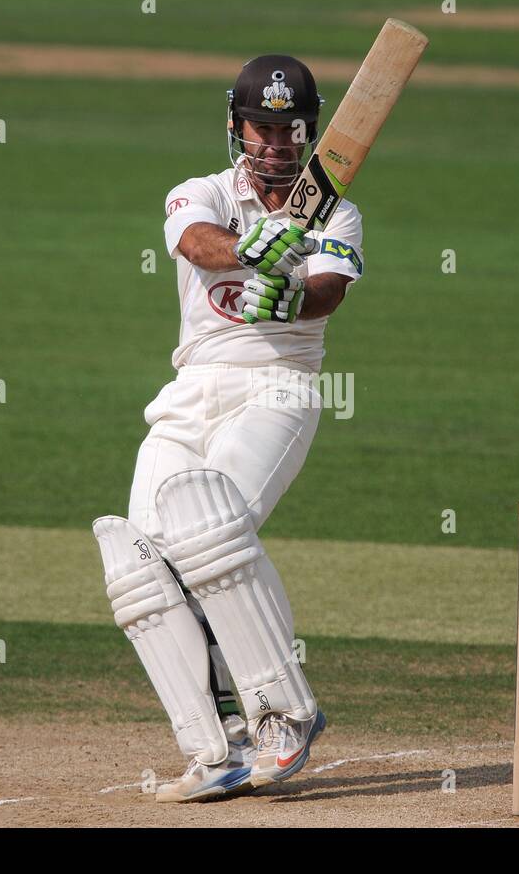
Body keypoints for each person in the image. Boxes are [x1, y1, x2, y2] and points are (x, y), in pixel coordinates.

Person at [91, 52, 364, 802]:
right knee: (140, 564)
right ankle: (217, 749)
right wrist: (253, 248)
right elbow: (196, 243)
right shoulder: (200, 192)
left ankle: (286, 713)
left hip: (277, 386)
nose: (276, 143)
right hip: (188, 391)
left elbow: (329, 290)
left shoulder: (336, 212)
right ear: (237, 127)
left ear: (310, 132)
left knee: (210, 534)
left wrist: (289, 295)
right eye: (262, 128)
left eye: (291, 129)